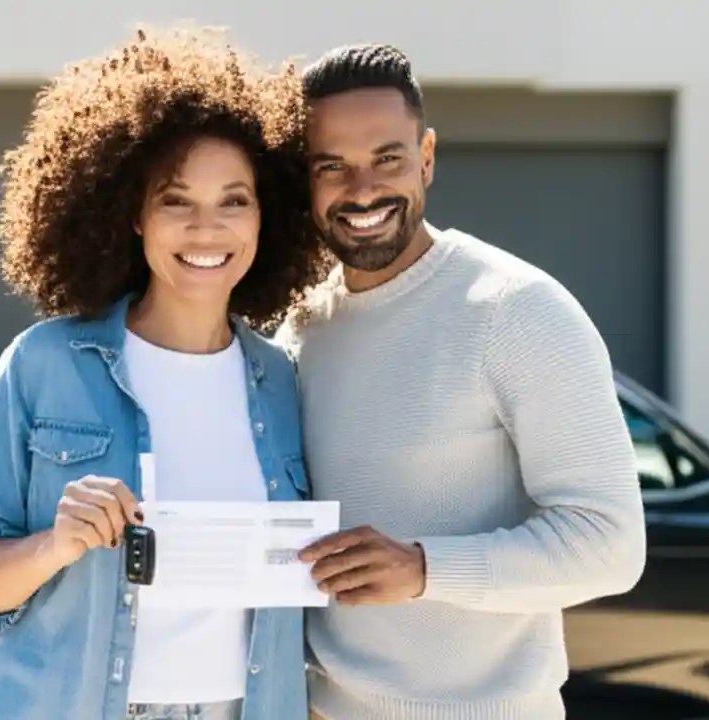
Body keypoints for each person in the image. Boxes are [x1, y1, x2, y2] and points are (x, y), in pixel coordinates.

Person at [0, 25, 328, 720]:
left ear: (267, 217)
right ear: (134, 217)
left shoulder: (285, 378)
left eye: (234, 200)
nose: (207, 229)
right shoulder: (45, 363)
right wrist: (56, 545)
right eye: (176, 201)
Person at [278, 44, 648, 720]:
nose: (362, 190)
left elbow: (610, 546)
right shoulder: (300, 327)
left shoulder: (516, 310)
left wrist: (423, 569)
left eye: (387, 158)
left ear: (426, 158)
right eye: (332, 166)